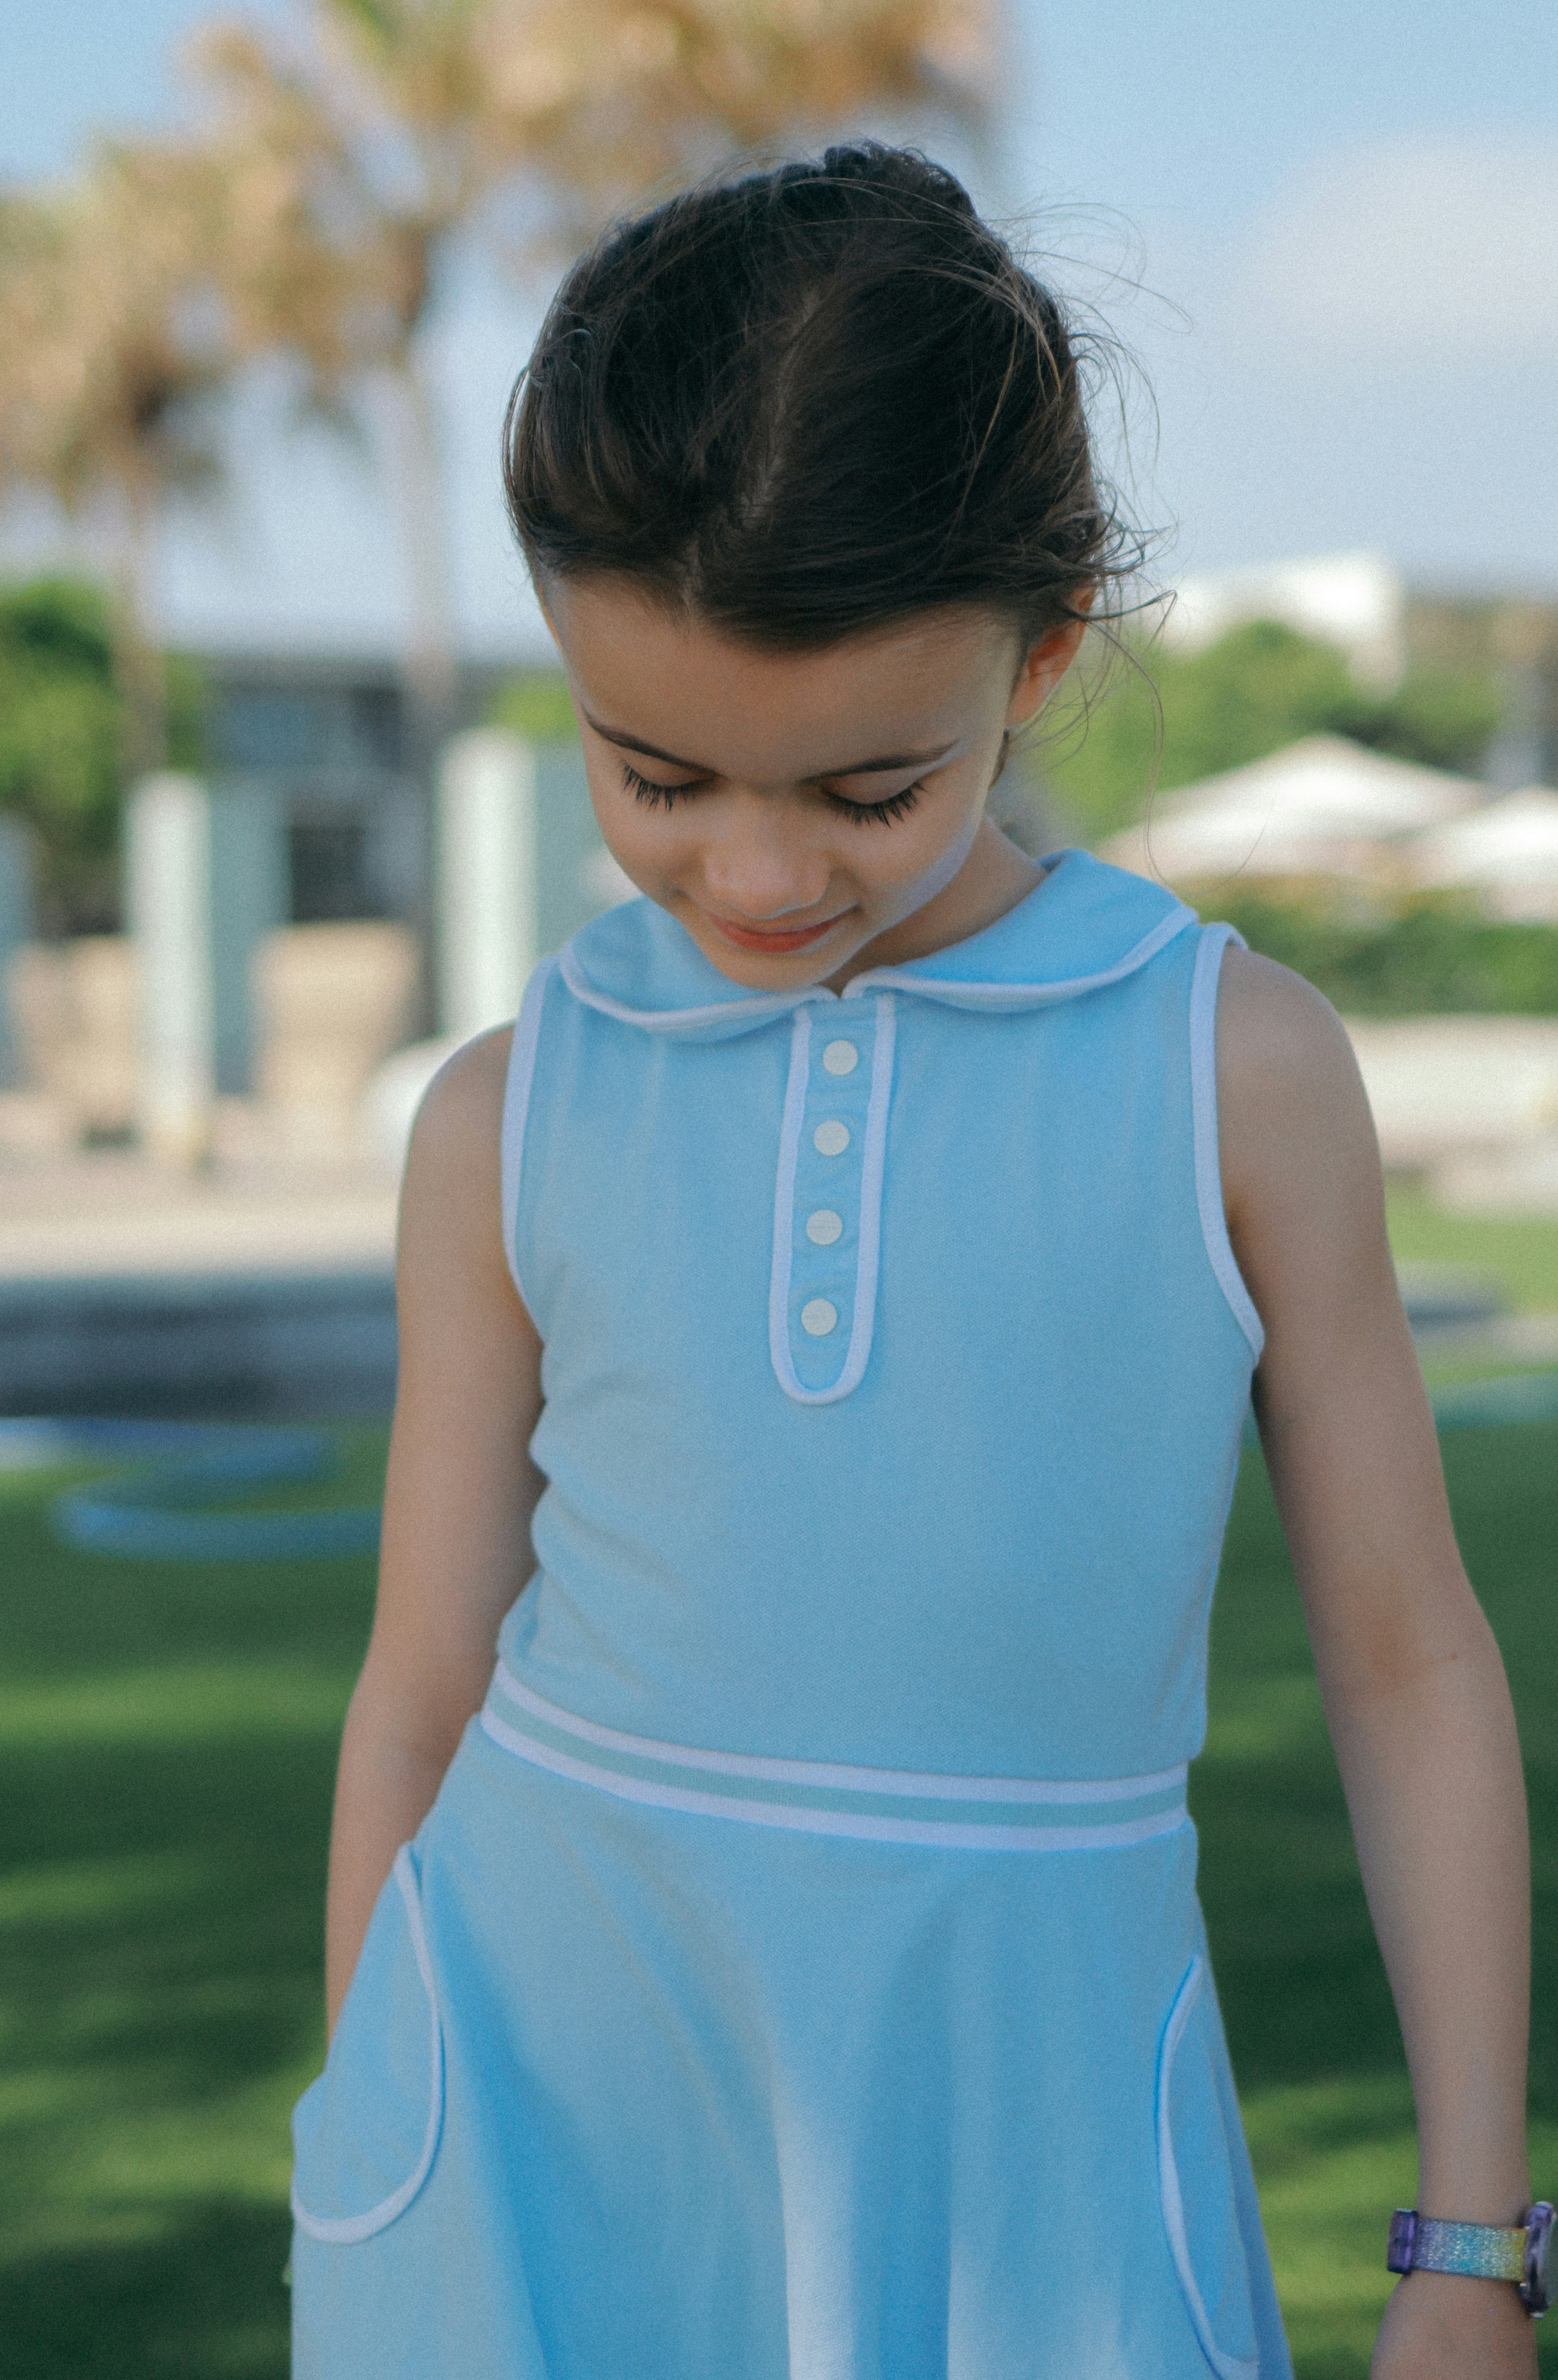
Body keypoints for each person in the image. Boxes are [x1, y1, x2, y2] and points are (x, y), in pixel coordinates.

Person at [290, 146, 1539, 2378]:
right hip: (543, 2112)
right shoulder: (507, 1110)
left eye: (867, 790)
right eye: (656, 774)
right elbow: (419, 1688)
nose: (758, 874)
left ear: (1043, 651)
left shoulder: (1232, 1070)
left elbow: (1408, 1660)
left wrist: (1471, 2245)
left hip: (1032, 2122)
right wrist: (368, 2137)